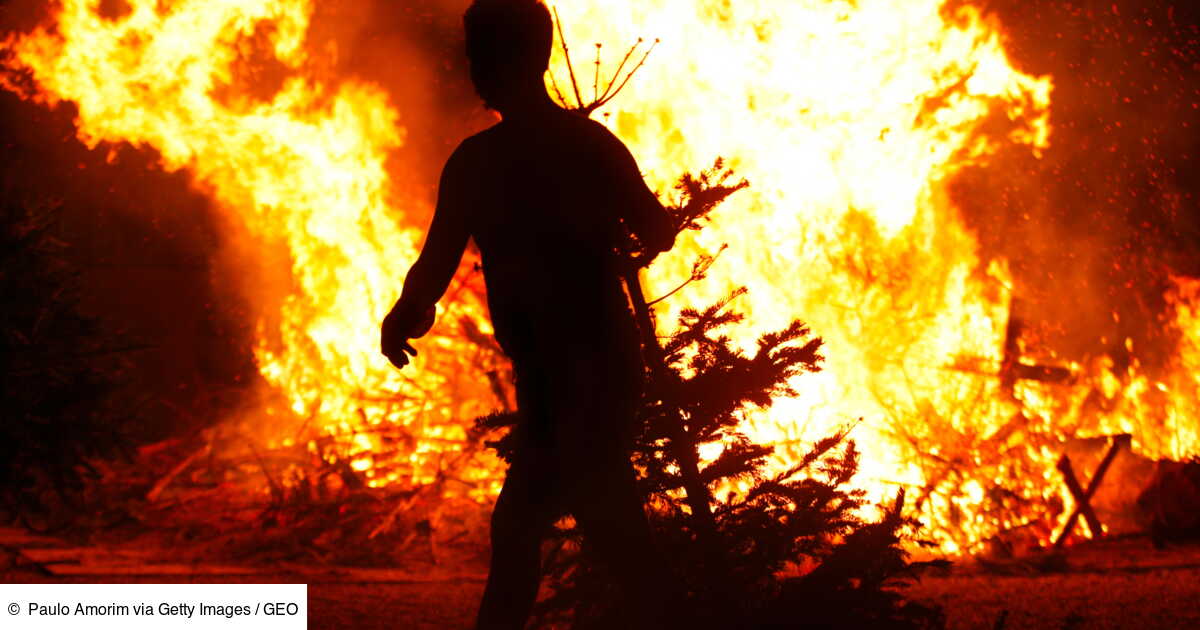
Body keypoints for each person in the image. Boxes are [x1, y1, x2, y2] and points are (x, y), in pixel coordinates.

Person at [380, 1, 678, 628]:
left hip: (586, 371)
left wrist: (408, 313)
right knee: (561, 525)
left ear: (506, 61)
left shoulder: (480, 160)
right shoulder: (584, 145)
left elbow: (435, 264)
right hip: (564, 370)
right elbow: (657, 224)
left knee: (550, 524)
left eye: (479, 56)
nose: (473, 70)